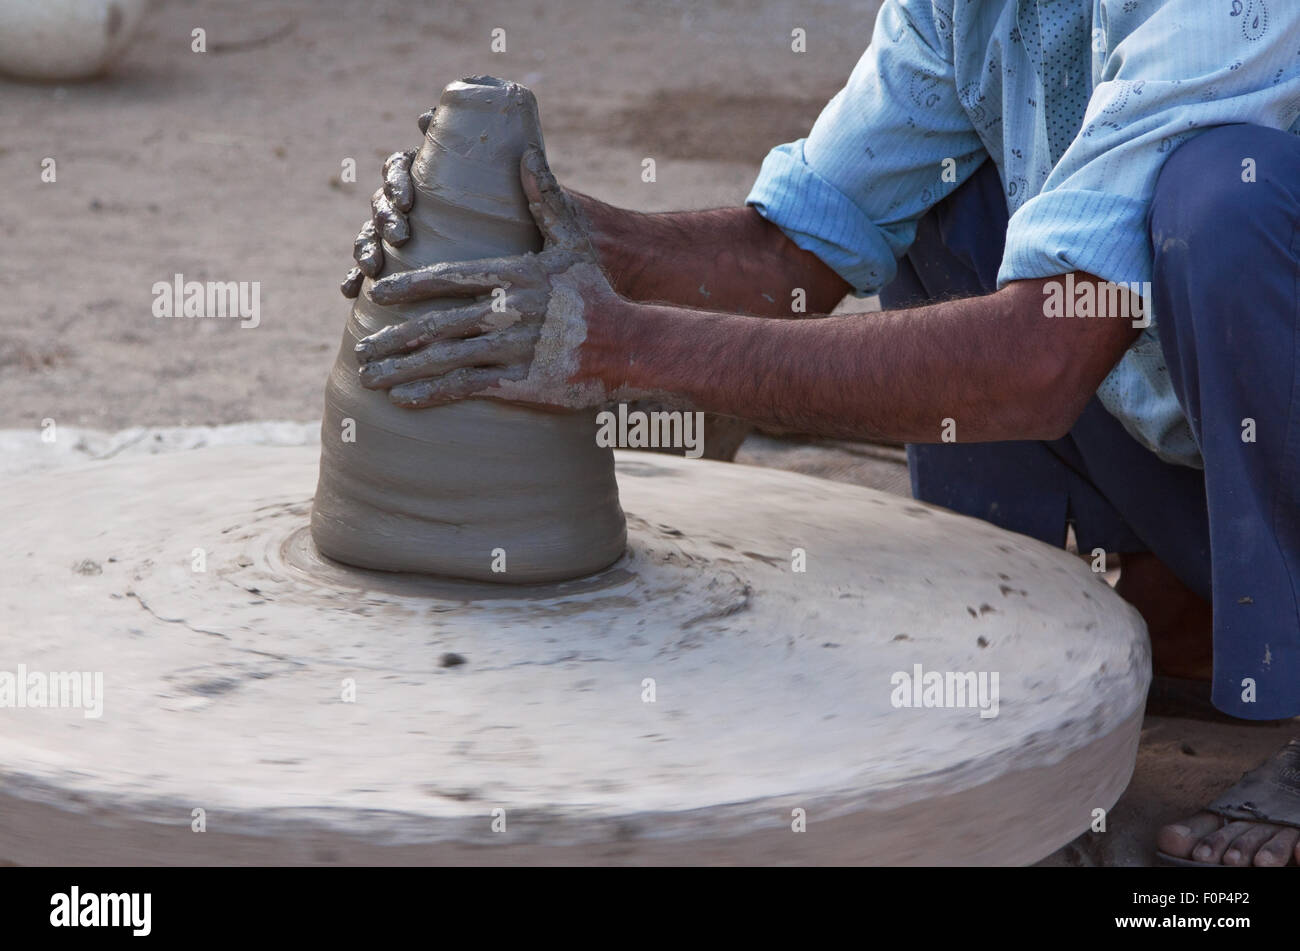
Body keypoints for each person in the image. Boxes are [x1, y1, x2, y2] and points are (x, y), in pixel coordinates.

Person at [342, 0, 1300, 866]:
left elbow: (1039, 362)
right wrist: (550, 232)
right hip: (1194, 461)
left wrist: (625, 350)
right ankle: (1064, 659)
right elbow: (793, 249)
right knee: (952, 193)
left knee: (1222, 201)